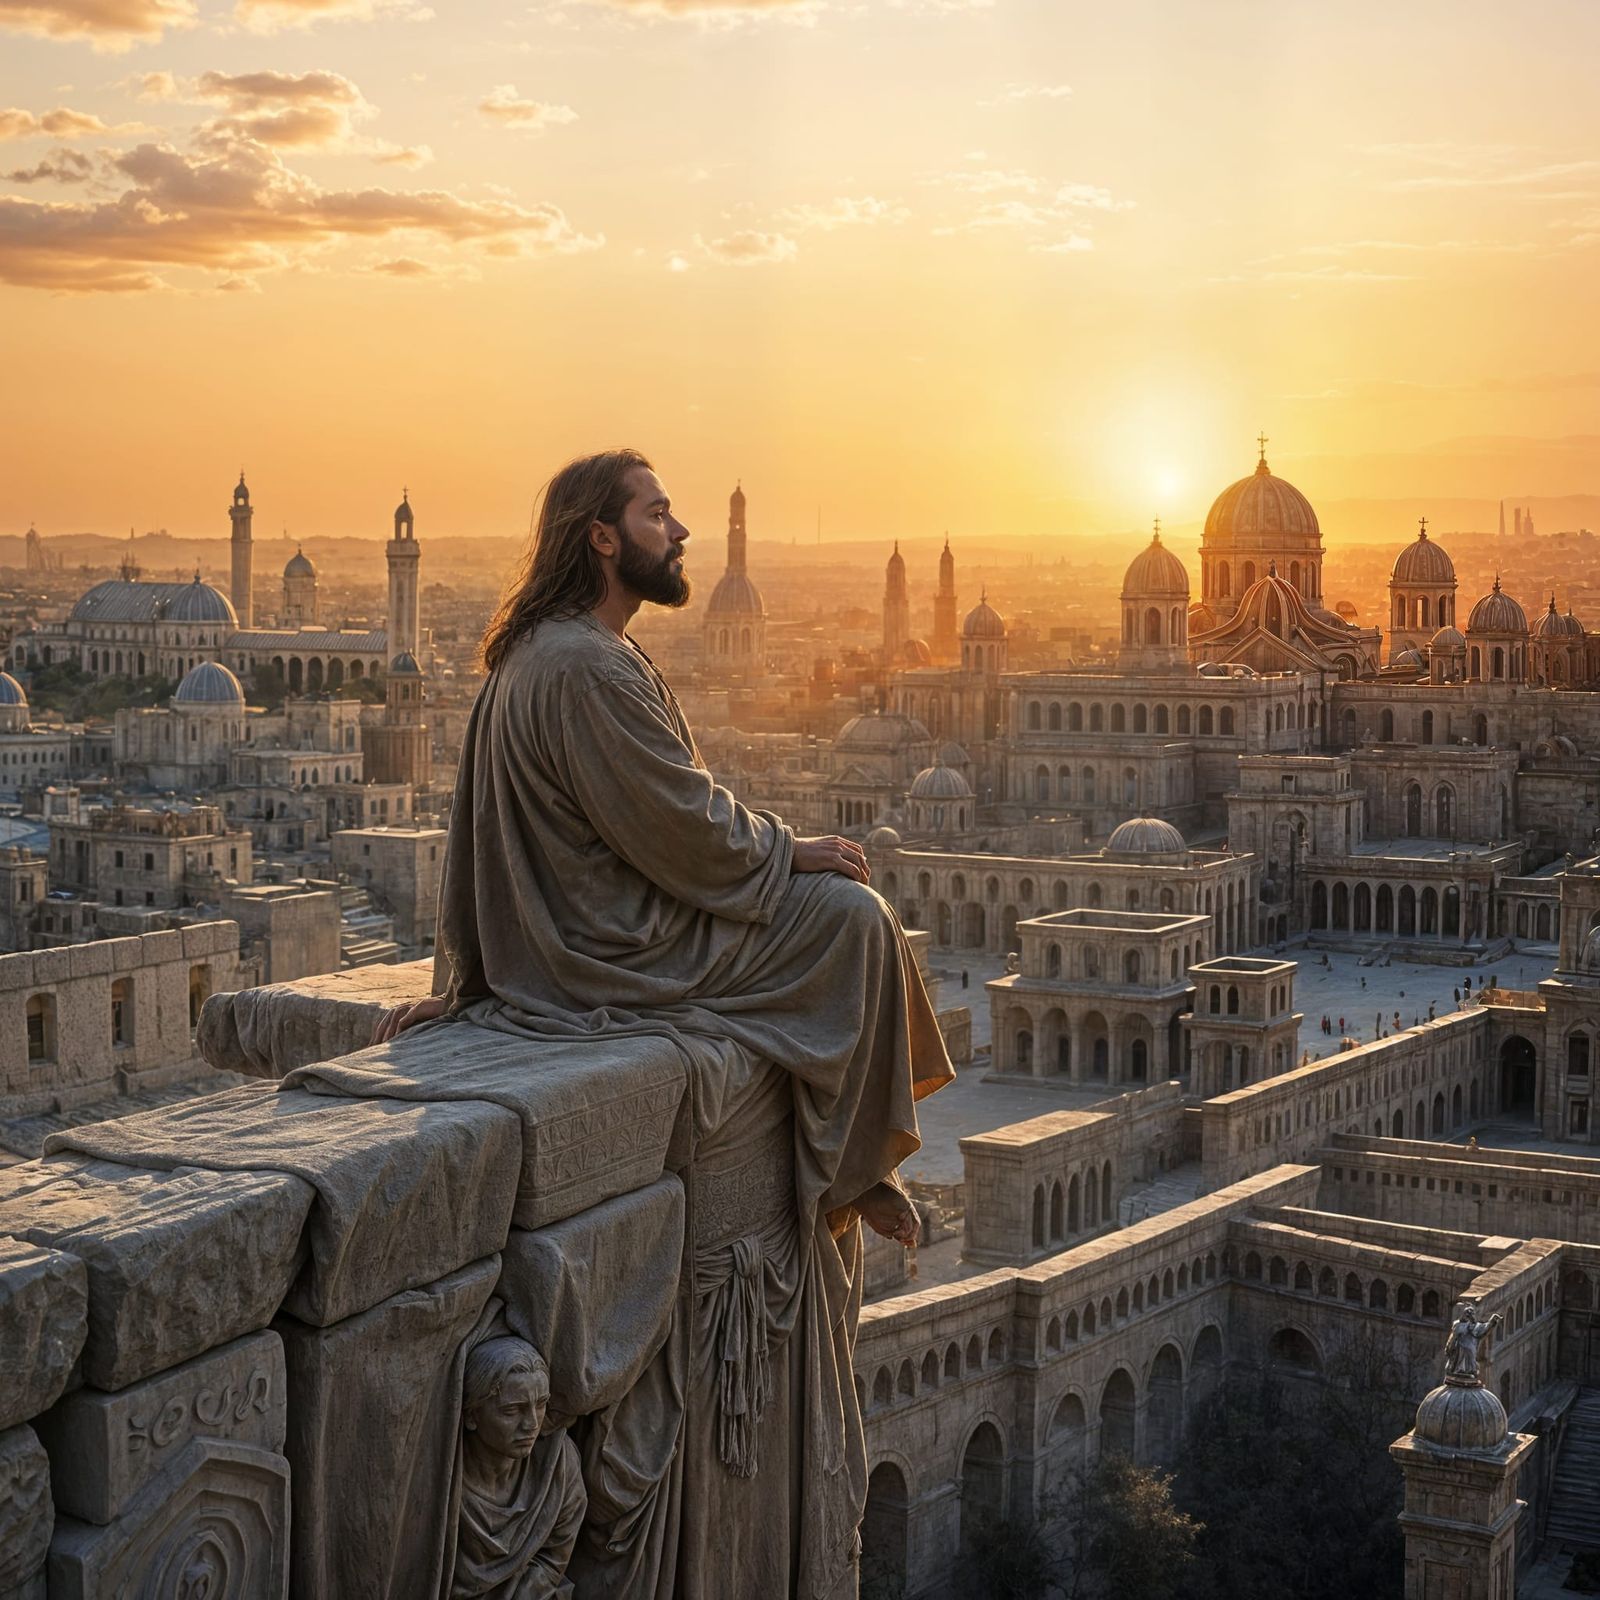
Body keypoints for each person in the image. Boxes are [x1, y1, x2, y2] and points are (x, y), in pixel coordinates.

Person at [374, 449, 953, 1598]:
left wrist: (470, 973)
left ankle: (852, 1154)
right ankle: (853, 1166)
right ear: (601, 535)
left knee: (840, 919)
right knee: (853, 923)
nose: (677, 529)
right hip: (616, 945)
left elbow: (487, 834)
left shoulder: (539, 655)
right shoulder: (584, 664)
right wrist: (786, 849)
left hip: (567, 937)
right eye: (655, 512)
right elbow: (678, 822)